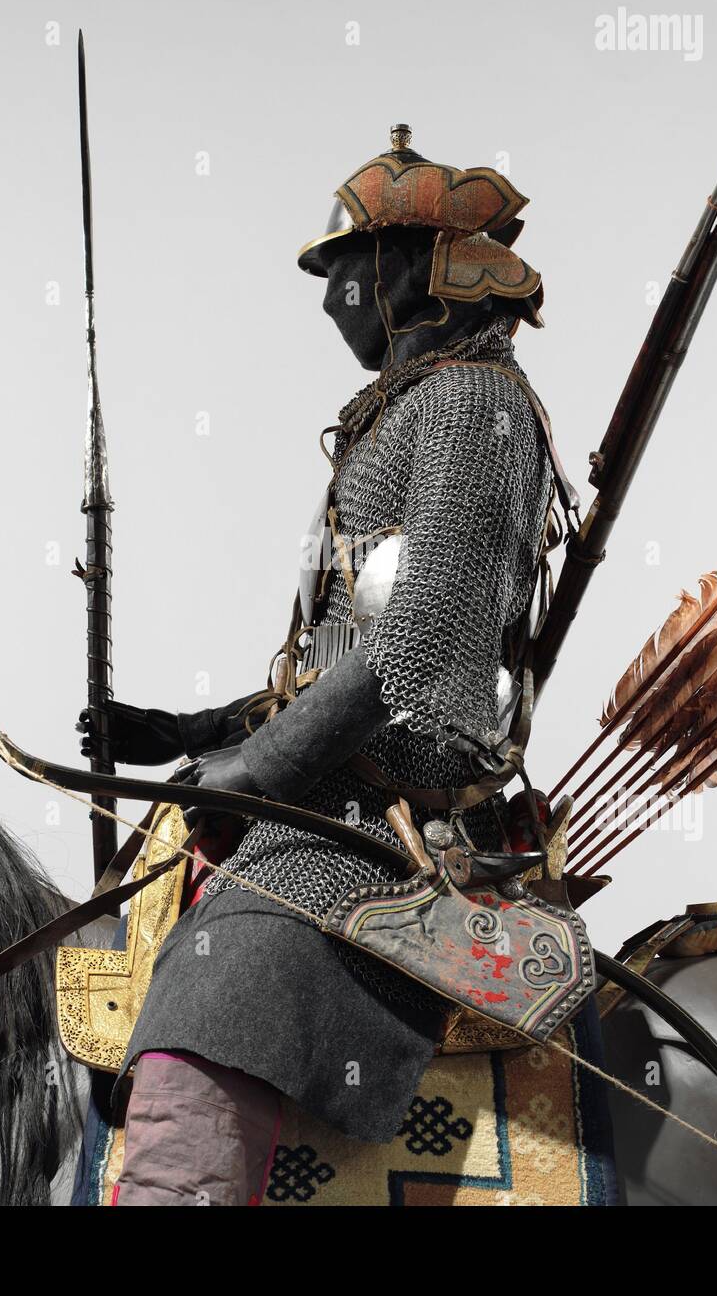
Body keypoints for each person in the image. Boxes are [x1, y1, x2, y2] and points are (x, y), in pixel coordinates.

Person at [81, 125, 560, 1205]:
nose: (335, 291)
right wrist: (189, 731)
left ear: (436, 268)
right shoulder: (413, 408)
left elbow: (419, 654)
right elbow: (338, 663)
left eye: (351, 265)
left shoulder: (471, 405)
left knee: (206, 1019)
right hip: (317, 805)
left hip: (368, 841)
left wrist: (252, 772)